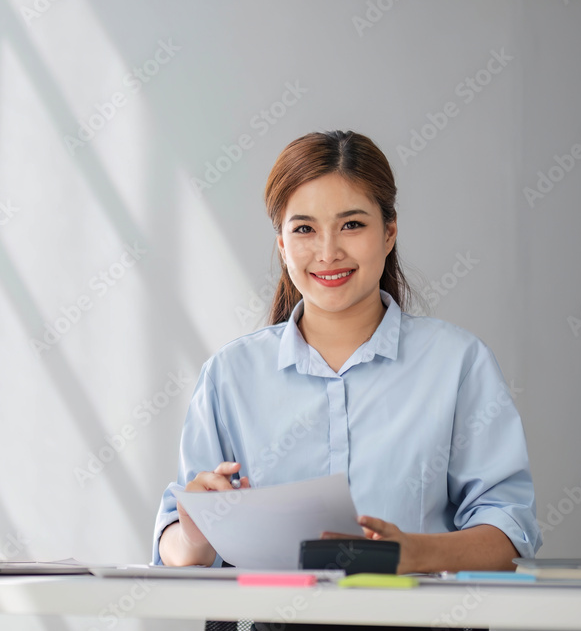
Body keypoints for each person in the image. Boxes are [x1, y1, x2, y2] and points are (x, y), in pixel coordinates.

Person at [153, 130, 541, 576]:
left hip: (416, 615)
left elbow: (512, 534)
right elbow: (178, 549)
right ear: (282, 245)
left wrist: (414, 553)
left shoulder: (458, 364)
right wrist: (195, 534)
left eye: (352, 225)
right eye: (304, 229)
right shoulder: (229, 375)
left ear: (389, 232)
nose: (328, 252)